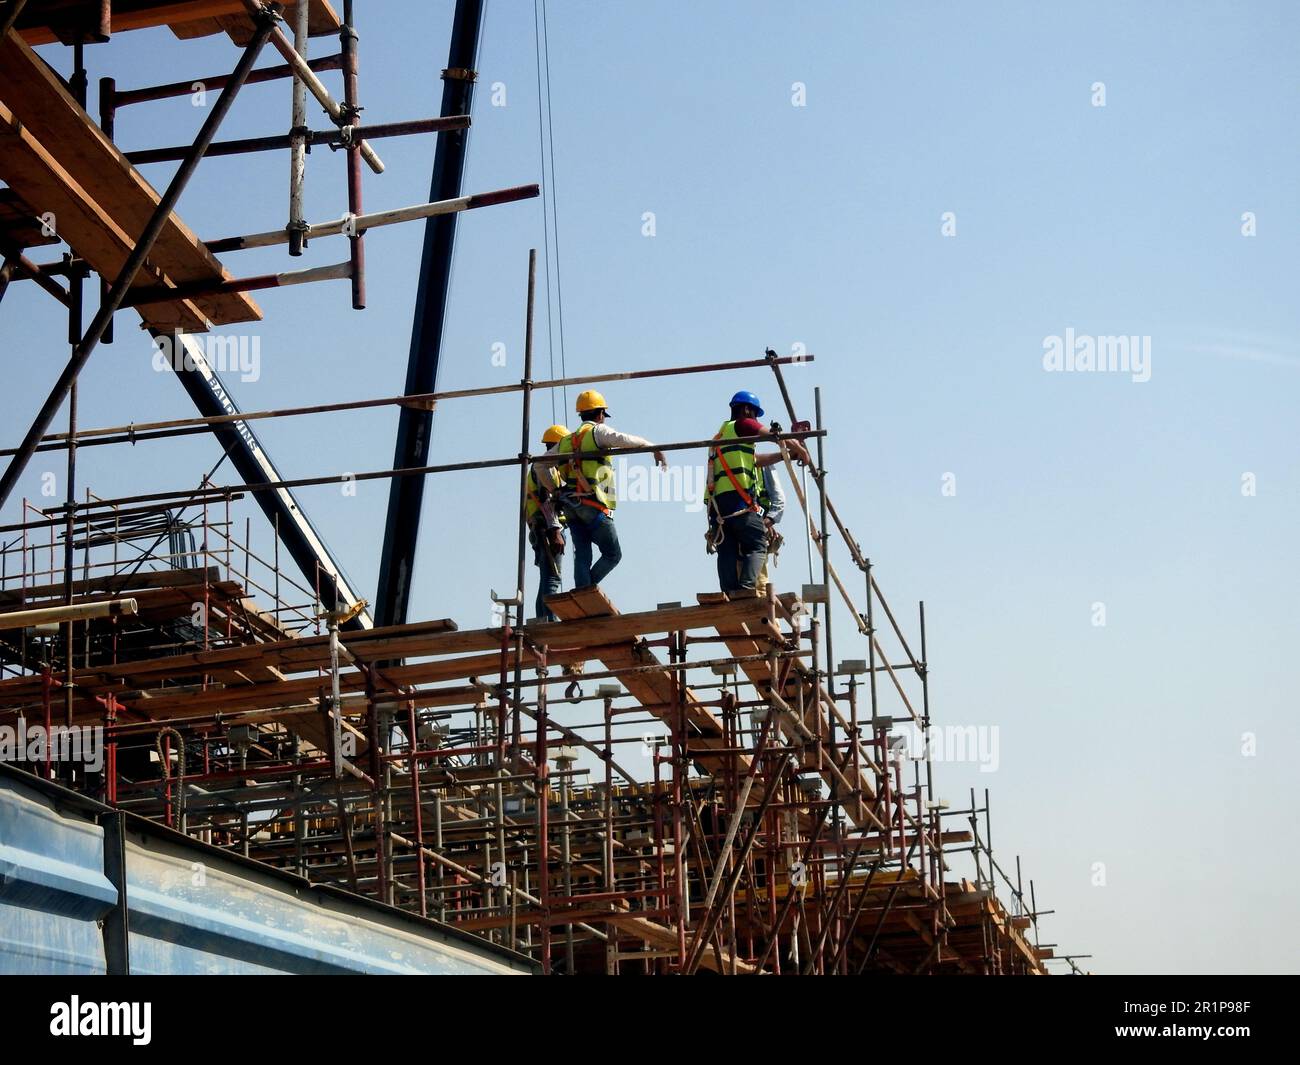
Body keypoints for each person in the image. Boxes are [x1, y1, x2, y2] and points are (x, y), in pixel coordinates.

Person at [553, 389, 666, 588]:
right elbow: (624, 440)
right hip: (593, 505)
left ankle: (582, 591)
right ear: (599, 414)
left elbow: (538, 465)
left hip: (570, 506)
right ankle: (587, 590)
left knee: (582, 555)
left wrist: (553, 489)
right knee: (613, 554)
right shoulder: (598, 432)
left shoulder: (565, 441)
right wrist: (653, 448)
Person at [705, 390, 809, 594]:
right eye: (754, 414)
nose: (755, 420)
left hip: (718, 509)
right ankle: (745, 589)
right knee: (757, 543)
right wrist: (799, 448)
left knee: (727, 550)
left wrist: (784, 455)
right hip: (739, 505)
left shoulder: (721, 436)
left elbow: (756, 460)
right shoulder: (742, 424)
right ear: (746, 409)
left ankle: (729, 592)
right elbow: (772, 435)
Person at [525, 424, 571, 621]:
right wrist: (555, 531)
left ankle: (541, 622)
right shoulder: (546, 468)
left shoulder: (538, 467)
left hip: (540, 528)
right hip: (548, 529)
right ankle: (549, 623)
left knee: (546, 579)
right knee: (553, 578)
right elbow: (544, 498)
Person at [755, 462, 786, 596]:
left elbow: (779, 500)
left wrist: (767, 522)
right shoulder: (726, 461)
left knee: (760, 586)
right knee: (737, 588)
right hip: (733, 531)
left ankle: (767, 615)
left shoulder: (762, 465)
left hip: (757, 532)